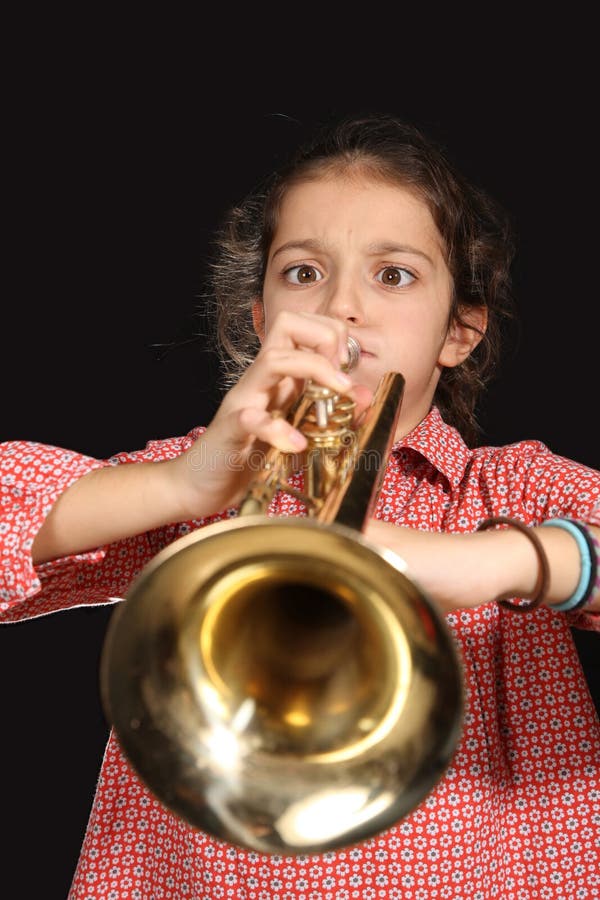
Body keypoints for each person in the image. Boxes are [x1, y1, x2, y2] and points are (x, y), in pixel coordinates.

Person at [1, 112, 599, 900]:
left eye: (394, 275)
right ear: (262, 320)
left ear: (460, 331)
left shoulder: (510, 490)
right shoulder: (204, 488)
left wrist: (505, 559)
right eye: (304, 272)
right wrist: (181, 485)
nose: (342, 307)